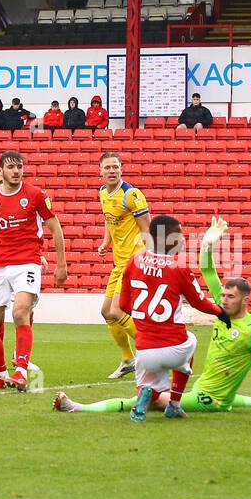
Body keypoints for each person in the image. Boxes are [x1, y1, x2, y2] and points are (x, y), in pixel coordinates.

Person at [56, 217, 251, 418]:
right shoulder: (223, 308)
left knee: (152, 400)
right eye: (223, 295)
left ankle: (80, 407)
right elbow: (208, 272)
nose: (223, 300)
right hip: (203, 390)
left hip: (206, 397)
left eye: (230, 297)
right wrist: (206, 244)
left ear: (245, 301)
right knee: (191, 356)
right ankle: (179, 400)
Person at [117, 214, 231, 422]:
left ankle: (145, 395)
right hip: (175, 347)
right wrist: (220, 312)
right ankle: (175, 404)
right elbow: (199, 302)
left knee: (148, 384)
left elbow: (124, 305)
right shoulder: (178, 267)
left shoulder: (134, 261)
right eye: (178, 235)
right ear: (163, 240)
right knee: (192, 341)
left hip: (143, 350)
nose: (183, 240)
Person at [0, 151, 67, 391]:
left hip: (27, 262)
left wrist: (61, 264)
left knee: (20, 312)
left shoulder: (35, 195)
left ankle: (21, 372)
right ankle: (1, 376)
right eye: (11, 167)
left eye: (20, 167)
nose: (16, 171)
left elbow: (55, 228)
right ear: (0, 170)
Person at [96, 152, 151, 378]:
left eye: (115, 167)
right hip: (119, 262)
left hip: (135, 260)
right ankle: (128, 359)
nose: (111, 171)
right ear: (100, 171)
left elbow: (147, 229)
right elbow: (109, 219)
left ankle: (152, 349)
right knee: (106, 313)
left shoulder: (132, 195)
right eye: (107, 167)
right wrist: (106, 241)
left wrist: (148, 258)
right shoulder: (102, 193)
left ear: (121, 169)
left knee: (117, 310)